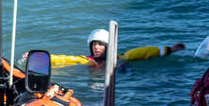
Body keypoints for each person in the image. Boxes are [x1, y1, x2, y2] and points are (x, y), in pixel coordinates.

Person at [50, 28, 187, 70]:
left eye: (100, 44)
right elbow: (64, 59)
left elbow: (143, 52)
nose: (96, 47)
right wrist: (35, 56)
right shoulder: (88, 61)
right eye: (94, 44)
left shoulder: (120, 58)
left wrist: (169, 49)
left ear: (108, 47)